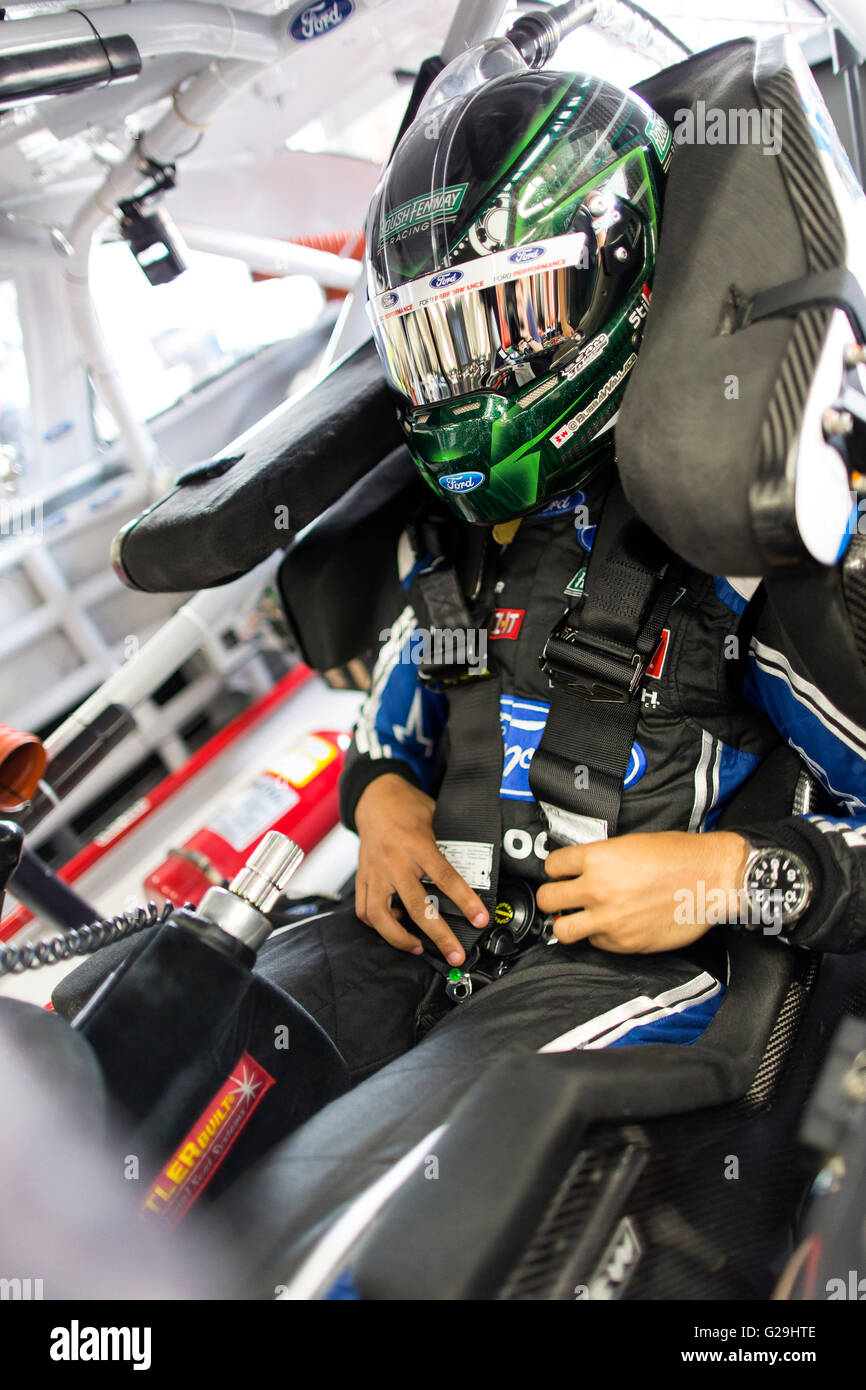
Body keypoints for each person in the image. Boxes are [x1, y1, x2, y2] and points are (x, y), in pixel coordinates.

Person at [55, 65, 866, 1267]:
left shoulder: (743, 545)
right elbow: (390, 735)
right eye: (436, 337)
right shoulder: (439, 535)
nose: (468, 377)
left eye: (504, 318)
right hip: (409, 929)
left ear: (613, 283)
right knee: (126, 1064)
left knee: (349, 1236)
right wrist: (379, 805)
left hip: (619, 972)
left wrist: (723, 875)